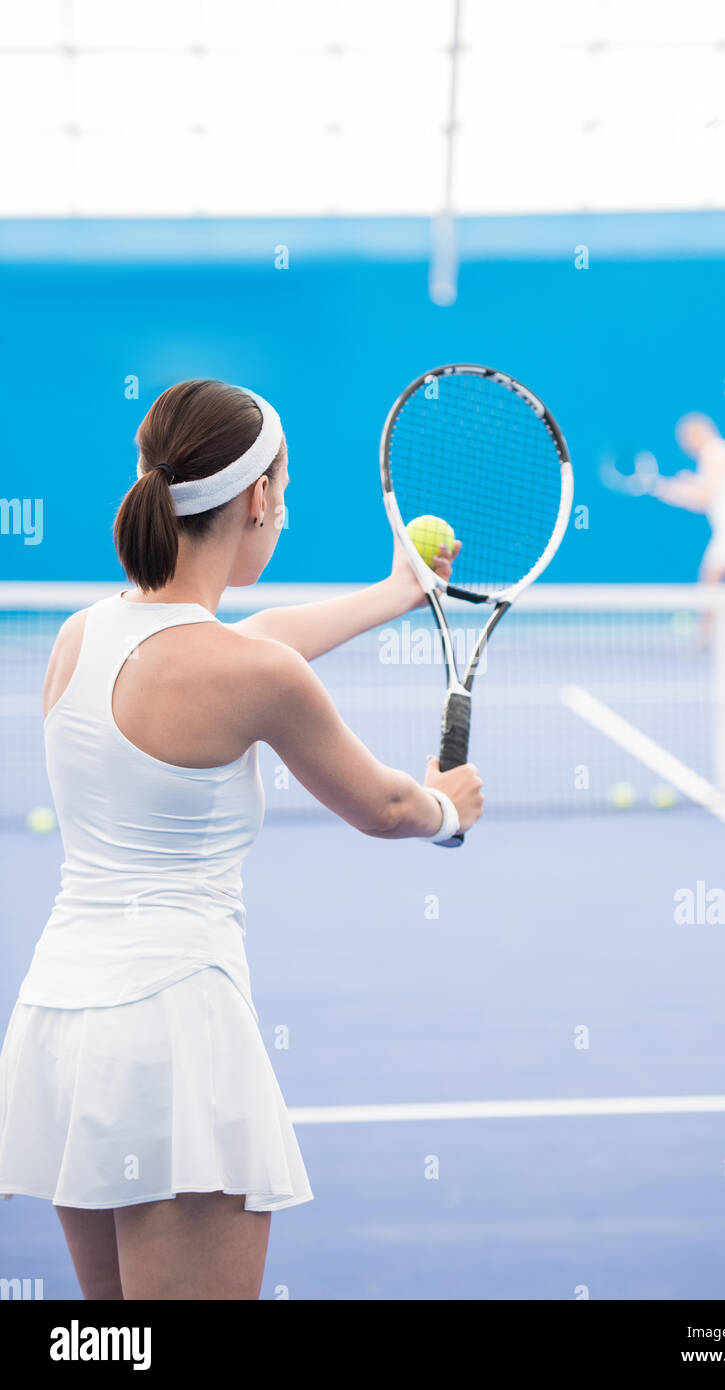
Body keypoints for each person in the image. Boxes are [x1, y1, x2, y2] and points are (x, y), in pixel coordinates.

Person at [0, 378, 483, 1300]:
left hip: (56, 1033)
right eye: (286, 489)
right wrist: (446, 807)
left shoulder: (78, 636)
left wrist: (394, 591)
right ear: (258, 498)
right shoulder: (249, 672)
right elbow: (382, 805)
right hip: (169, 1041)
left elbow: (248, 642)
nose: (285, 512)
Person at [650, 414, 725, 640]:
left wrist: (672, 491)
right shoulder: (716, 452)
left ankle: (706, 636)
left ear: (698, 433)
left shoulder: (714, 452)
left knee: (716, 579)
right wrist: (682, 485)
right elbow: (709, 494)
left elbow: (705, 498)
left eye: (685, 438)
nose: (685, 445)